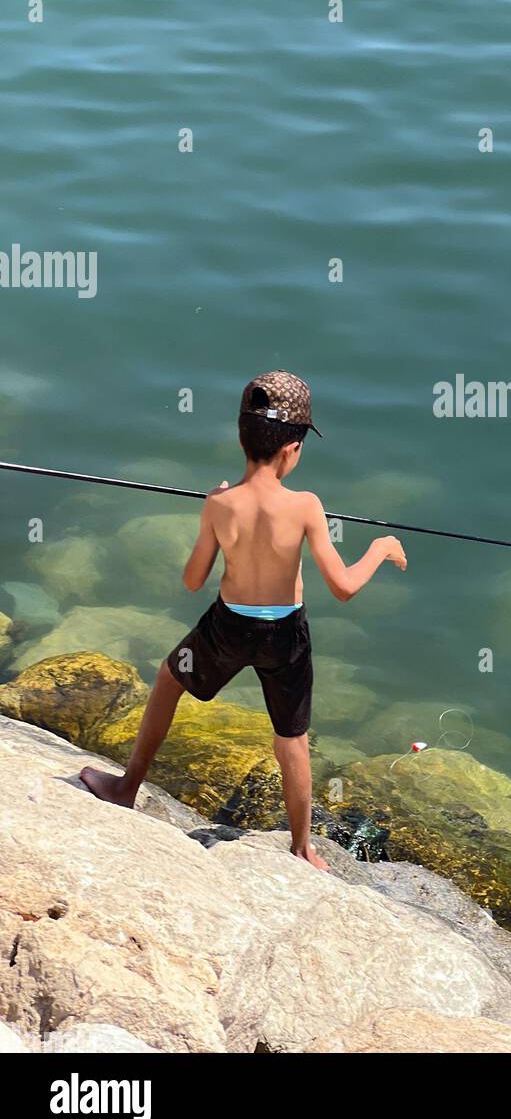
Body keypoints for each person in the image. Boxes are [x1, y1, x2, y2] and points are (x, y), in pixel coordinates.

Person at [81, 370, 407, 871]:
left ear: (241, 437)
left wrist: (212, 508)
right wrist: (381, 548)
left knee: (169, 680)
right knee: (291, 739)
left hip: (227, 627)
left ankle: (127, 787)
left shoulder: (220, 502)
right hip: (286, 636)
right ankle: (302, 848)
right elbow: (343, 586)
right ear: (292, 449)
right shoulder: (306, 506)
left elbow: (193, 581)